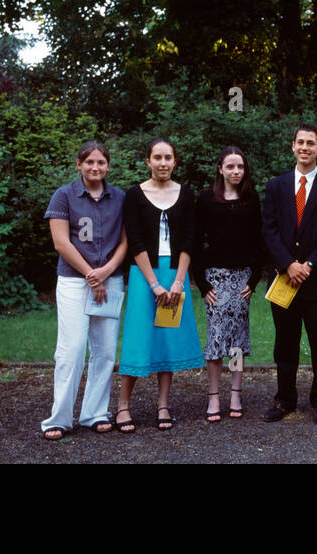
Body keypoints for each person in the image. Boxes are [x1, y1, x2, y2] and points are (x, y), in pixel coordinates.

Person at [260, 124, 317, 425]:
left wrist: (309, 263)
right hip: (284, 278)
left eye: (312, 143)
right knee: (285, 343)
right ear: (293, 146)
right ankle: (284, 399)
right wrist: (288, 265)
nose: (306, 147)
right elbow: (268, 231)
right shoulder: (276, 186)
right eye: (301, 142)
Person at [115, 138, 204, 433]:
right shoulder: (134, 195)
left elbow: (191, 238)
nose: (163, 163)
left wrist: (179, 281)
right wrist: (154, 284)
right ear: (148, 161)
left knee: (166, 339)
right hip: (145, 275)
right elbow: (135, 240)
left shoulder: (186, 193)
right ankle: (123, 406)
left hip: (175, 275)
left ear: (175, 161)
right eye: (157, 157)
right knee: (139, 338)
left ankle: (163, 404)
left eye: (168, 158)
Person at [40, 141, 127, 440]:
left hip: (110, 280)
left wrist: (105, 271)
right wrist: (91, 274)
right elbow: (61, 242)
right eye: (90, 162)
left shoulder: (120, 198)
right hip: (75, 281)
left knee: (104, 352)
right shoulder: (64, 195)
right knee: (73, 348)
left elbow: (126, 242)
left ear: (108, 166)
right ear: (79, 164)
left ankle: (95, 413)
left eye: (101, 162)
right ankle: (59, 418)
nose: (95, 167)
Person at [192, 146, 264, 422]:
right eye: (231, 167)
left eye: (240, 167)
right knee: (216, 339)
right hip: (215, 278)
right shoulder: (206, 199)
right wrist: (204, 284)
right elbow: (196, 242)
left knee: (237, 339)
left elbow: (259, 241)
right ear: (220, 169)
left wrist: (254, 278)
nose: (236, 172)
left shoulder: (251, 199)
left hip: (242, 279)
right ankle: (213, 395)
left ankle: (235, 392)